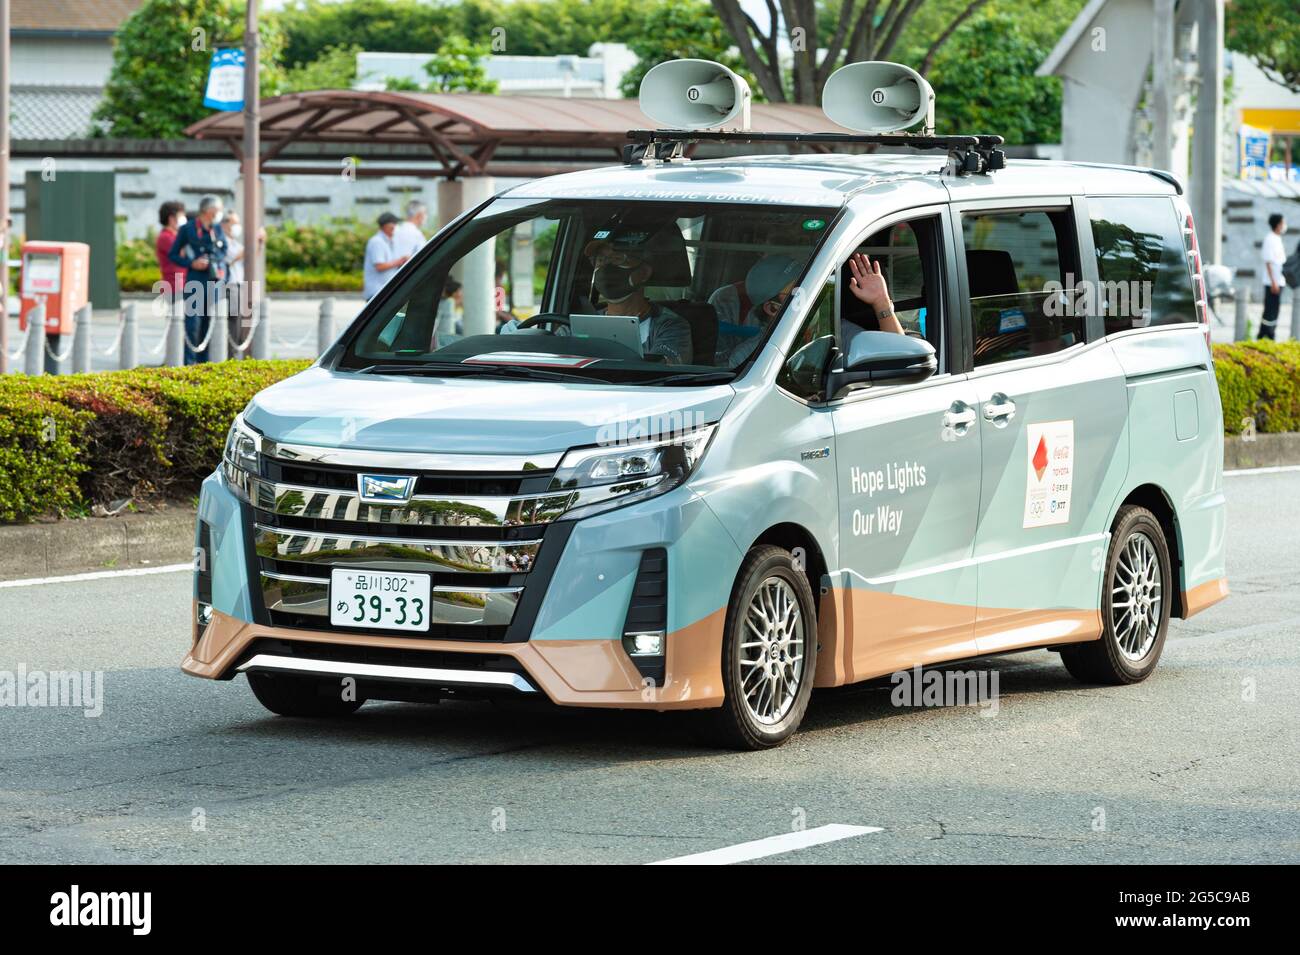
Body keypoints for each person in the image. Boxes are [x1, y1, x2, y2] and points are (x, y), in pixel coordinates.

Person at [584, 235, 692, 363]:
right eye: (600, 260)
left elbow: (659, 369)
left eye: (617, 259)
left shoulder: (669, 326)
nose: (606, 267)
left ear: (645, 272)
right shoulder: (582, 323)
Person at [168, 194, 229, 364]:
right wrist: (191, 263)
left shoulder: (217, 229)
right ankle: (189, 363)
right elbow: (173, 254)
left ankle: (204, 364)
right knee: (192, 323)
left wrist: (213, 260)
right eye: (218, 210)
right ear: (209, 211)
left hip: (213, 280)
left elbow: (224, 249)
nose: (219, 213)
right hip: (195, 280)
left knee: (208, 323)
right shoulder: (187, 229)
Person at [364, 212, 410, 301]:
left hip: (385, 292)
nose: (395, 226)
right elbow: (379, 266)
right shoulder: (377, 242)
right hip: (376, 293)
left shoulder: (389, 241)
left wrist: (403, 261)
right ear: (384, 226)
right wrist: (399, 261)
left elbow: (392, 263)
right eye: (393, 223)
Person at [1260, 212, 1287, 340]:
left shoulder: (1277, 238)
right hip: (1272, 282)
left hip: (1279, 281)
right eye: (1282, 223)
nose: (1284, 225)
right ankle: (1265, 335)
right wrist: (1273, 282)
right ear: (1277, 224)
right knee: (1270, 309)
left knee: (1275, 309)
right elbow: (1268, 262)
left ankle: (1269, 333)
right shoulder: (1269, 238)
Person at [155, 201, 188, 299]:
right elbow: (184, 253)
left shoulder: (175, 236)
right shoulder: (166, 237)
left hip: (181, 285)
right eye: (181, 217)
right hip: (173, 287)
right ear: (171, 219)